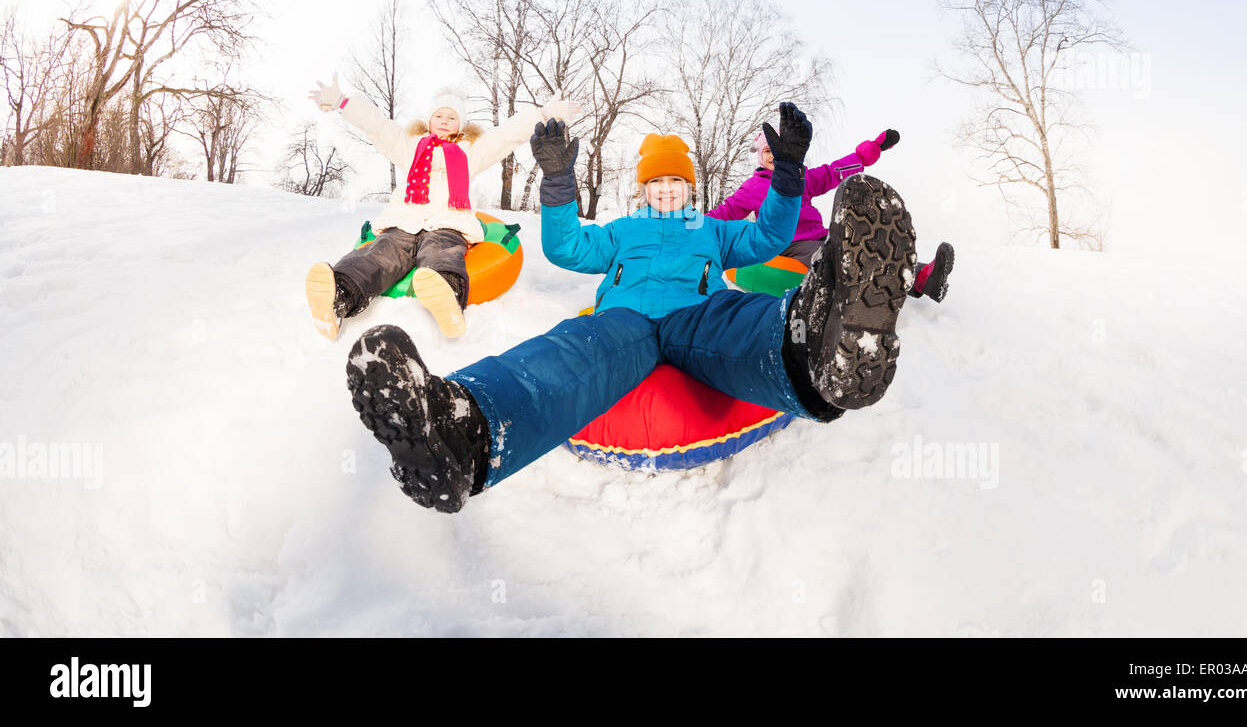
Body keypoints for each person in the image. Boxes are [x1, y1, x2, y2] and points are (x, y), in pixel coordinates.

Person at [344, 103, 921, 513]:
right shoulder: (622, 231)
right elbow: (566, 248)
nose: (667, 188)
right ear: (644, 188)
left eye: (676, 180)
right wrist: (558, 181)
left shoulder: (712, 229)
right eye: (658, 181)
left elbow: (768, 238)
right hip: (626, 322)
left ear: (688, 187)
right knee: (570, 353)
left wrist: (788, 175)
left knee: (744, 321)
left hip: (697, 314)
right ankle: (458, 432)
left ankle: (824, 348)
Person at [304, 74, 575, 340]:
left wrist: (543, 114)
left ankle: (447, 299)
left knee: (442, 253)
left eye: (451, 117)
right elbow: (378, 127)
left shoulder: (470, 153)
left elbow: (505, 136)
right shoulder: (410, 148)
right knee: (381, 254)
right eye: (439, 116)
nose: (444, 121)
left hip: (448, 223)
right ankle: (338, 296)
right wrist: (342, 101)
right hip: (405, 222)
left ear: (461, 125)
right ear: (429, 120)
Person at [708, 126, 955, 302]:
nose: (774, 157)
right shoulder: (754, 186)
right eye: (767, 152)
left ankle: (922, 277)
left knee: (863, 247)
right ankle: (861, 290)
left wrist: (864, 156)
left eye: (778, 151)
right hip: (788, 245)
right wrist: (693, 227)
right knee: (836, 257)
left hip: (820, 237)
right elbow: (727, 212)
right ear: (761, 158)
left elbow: (832, 172)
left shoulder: (801, 178)